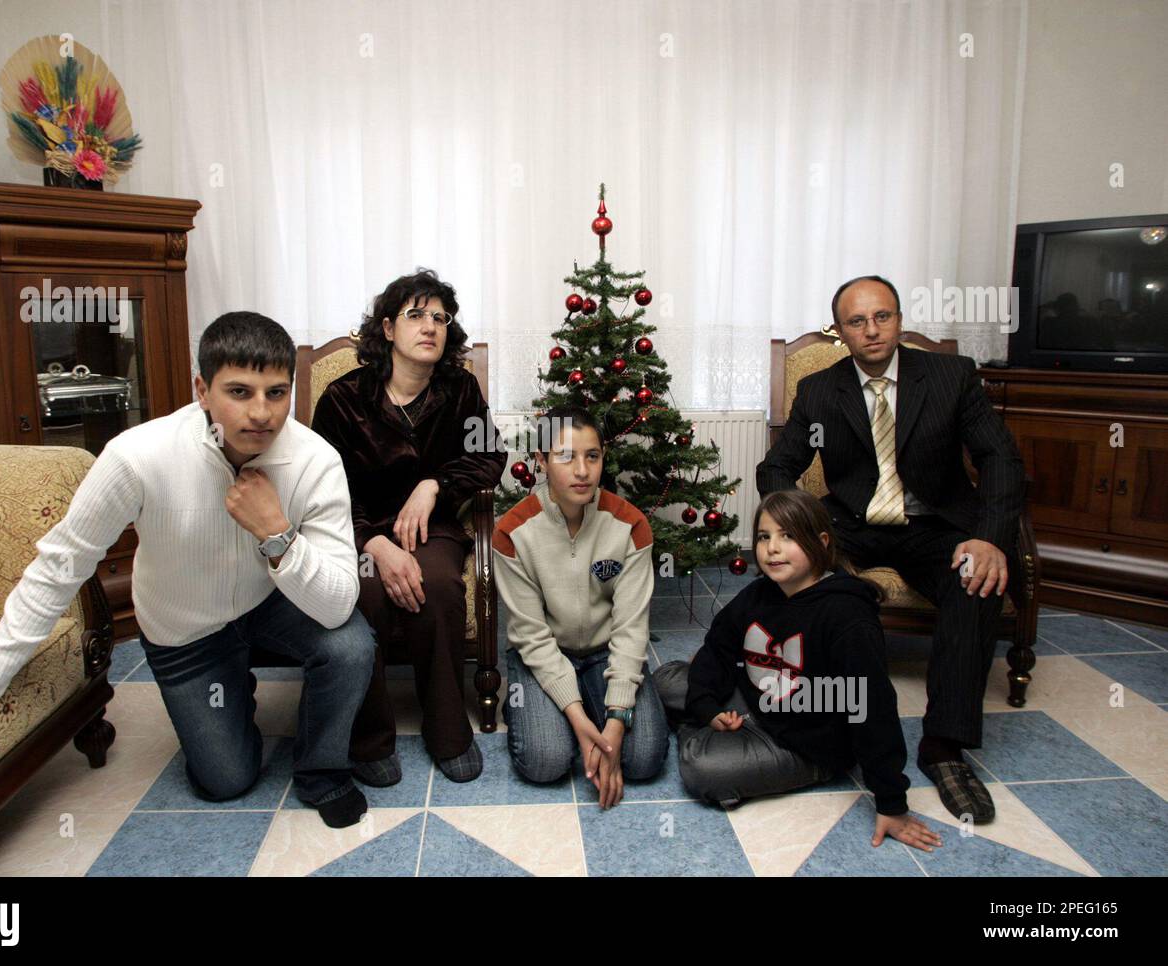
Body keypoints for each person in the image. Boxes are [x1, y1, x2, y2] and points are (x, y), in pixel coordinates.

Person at [0, 311, 376, 829]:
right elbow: (62, 564)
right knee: (228, 781)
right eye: (239, 391)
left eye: (276, 393)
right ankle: (226, 696)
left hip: (267, 603)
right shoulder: (136, 456)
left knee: (350, 644)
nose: (261, 413)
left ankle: (320, 769)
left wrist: (277, 535)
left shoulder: (316, 461)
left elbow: (336, 603)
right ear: (202, 390)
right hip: (185, 630)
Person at [756, 274, 1025, 822]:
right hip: (852, 521)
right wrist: (791, 522)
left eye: (882, 317)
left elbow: (1000, 458)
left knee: (974, 581)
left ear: (899, 320)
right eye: (857, 321)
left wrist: (990, 538)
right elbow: (779, 465)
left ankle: (944, 747)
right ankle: (820, 713)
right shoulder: (820, 390)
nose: (872, 330)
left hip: (937, 524)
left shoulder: (952, 377)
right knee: (793, 569)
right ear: (841, 332)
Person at [656, 490, 942, 851]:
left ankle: (696, 733)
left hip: (807, 743)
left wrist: (891, 802)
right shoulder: (760, 594)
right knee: (666, 679)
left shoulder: (846, 616)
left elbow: (872, 707)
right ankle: (706, 725)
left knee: (701, 769)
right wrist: (708, 707)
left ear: (820, 542)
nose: (772, 548)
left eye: (787, 535)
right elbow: (718, 647)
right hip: (759, 699)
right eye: (764, 537)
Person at [311, 269, 506, 785]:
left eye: (440, 318)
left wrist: (434, 484)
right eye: (416, 315)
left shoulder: (460, 389)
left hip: (434, 530)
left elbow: (490, 455)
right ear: (388, 328)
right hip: (357, 528)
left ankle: (448, 731)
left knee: (439, 585)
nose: (430, 326)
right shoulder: (342, 399)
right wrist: (372, 541)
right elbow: (321, 490)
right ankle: (370, 737)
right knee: (366, 591)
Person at [494, 406, 668, 808]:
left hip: (605, 652)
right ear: (540, 461)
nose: (582, 471)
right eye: (565, 456)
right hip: (544, 653)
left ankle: (600, 700)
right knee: (545, 762)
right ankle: (557, 707)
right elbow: (531, 636)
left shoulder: (630, 525)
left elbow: (630, 628)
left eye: (593, 456)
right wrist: (580, 720)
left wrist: (616, 719)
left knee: (643, 760)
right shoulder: (512, 532)